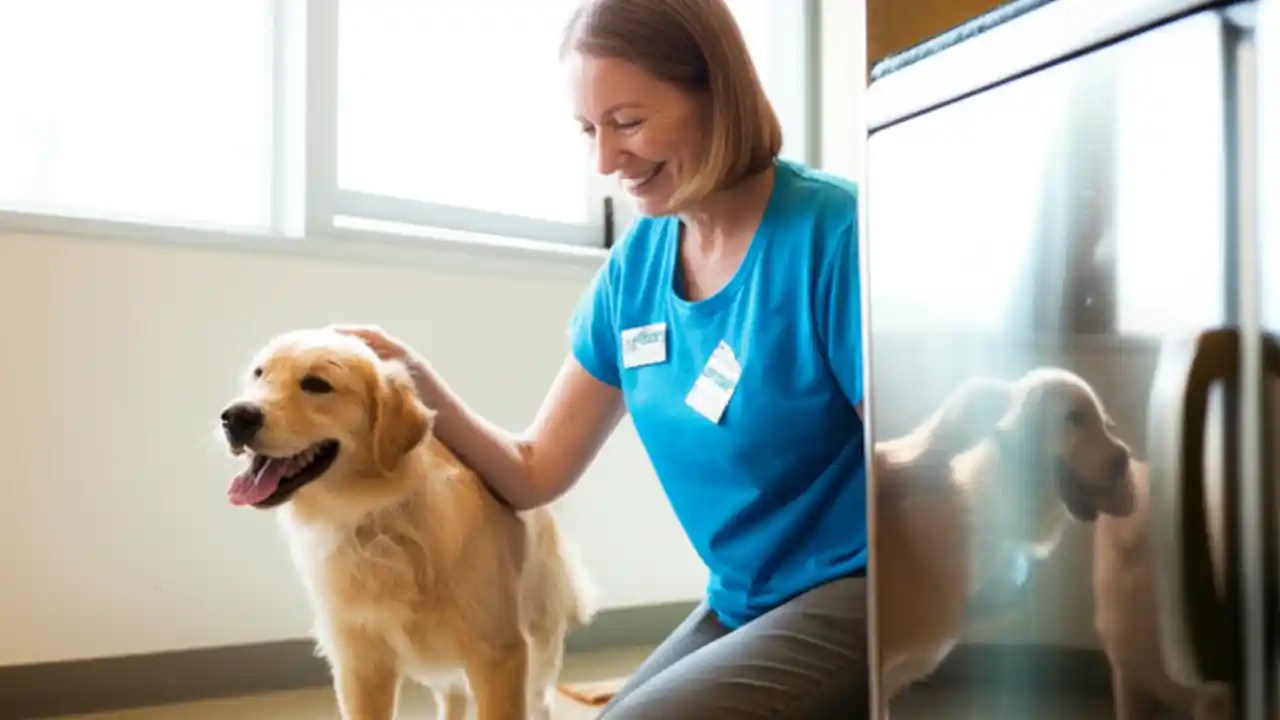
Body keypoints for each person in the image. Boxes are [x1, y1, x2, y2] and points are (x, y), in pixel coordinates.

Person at [340, 0, 870, 716]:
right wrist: (418, 383)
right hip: (747, 596)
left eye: (628, 122)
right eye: (589, 130)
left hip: (869, 589)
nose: (604, 160)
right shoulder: (637, 271)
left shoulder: (836, 235)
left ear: (719, 93)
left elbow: (922, 476)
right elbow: (534, 471)